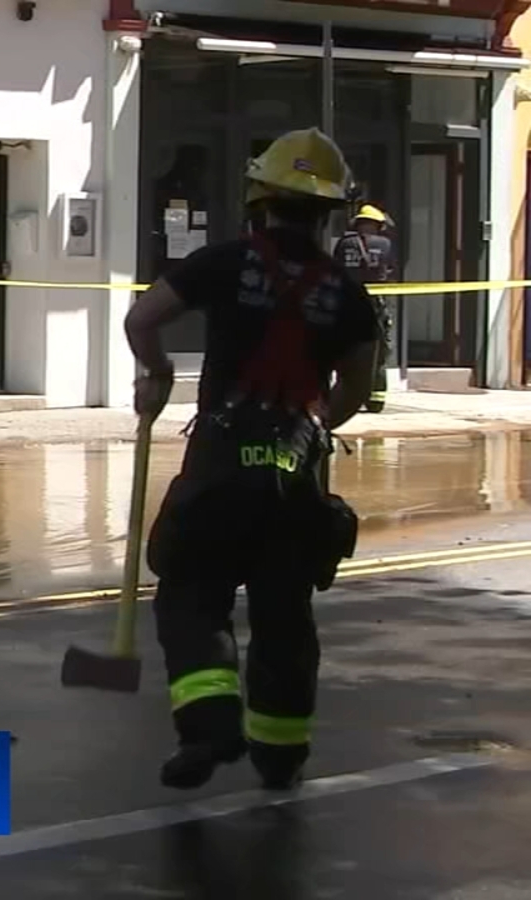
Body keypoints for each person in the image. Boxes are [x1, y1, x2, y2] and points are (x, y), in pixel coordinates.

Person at [122, 128, 380, 793]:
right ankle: (281, 752)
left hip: (219, 465)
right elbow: (355, 386)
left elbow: (142, 319)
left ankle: (209, 726)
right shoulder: (350, 296)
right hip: (293, 477)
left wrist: (157, 376)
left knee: (191, 596)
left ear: (258, 197)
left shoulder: (222, 262)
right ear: (328, 212)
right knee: (284, 614)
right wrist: (315, 424)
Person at [333, 205, 397, 412]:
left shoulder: (344, 243)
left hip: (348, 303)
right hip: (377, 304)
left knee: (346, 348)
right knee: (379, 351)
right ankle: (376, 400)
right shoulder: (385, 244)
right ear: (378, 225)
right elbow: (391, 269)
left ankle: (346, 394)